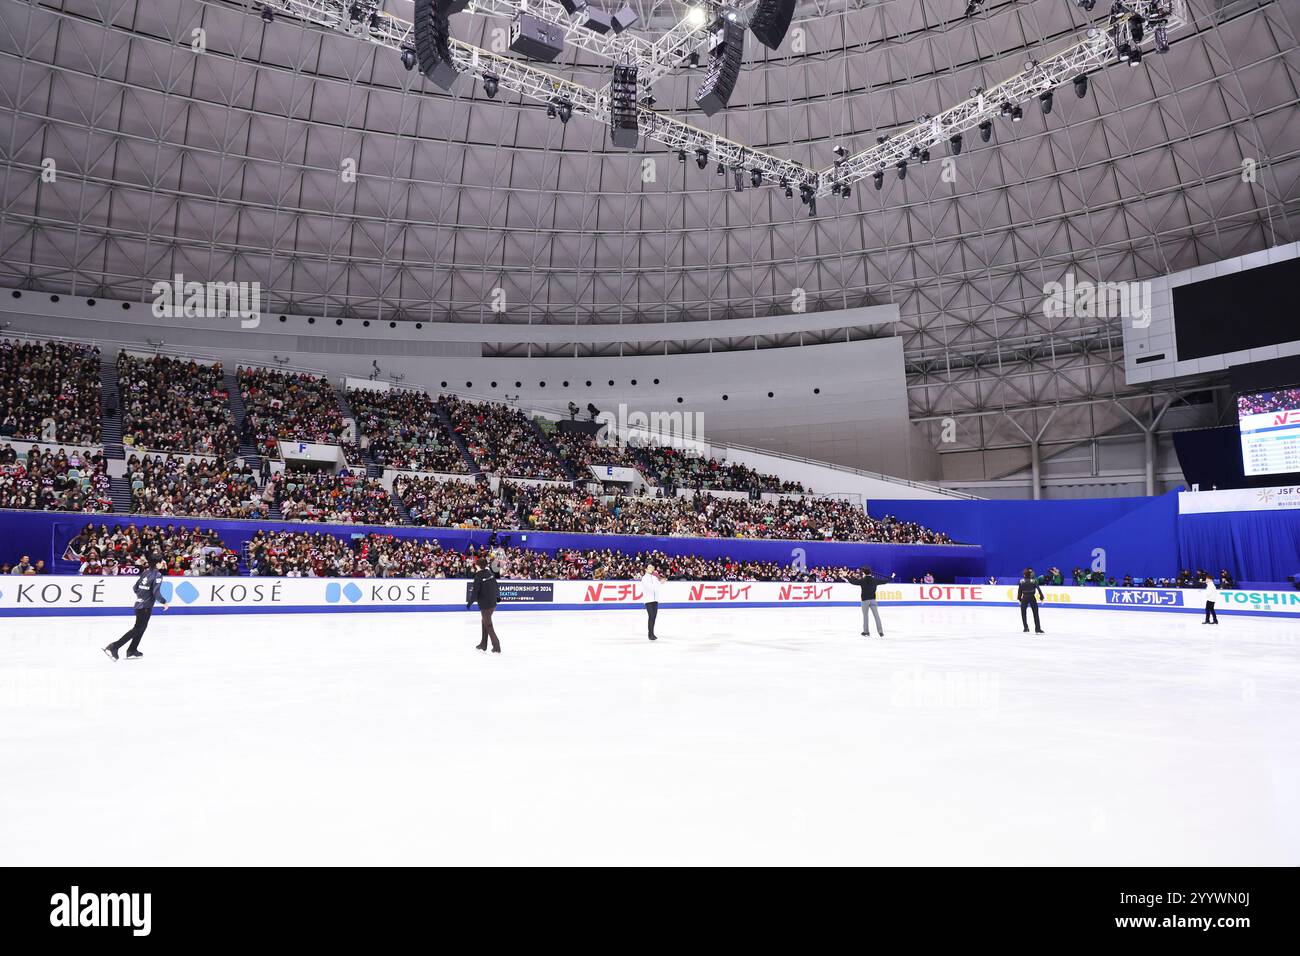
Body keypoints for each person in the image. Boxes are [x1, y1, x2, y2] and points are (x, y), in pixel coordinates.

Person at [102, 557, 170, 661]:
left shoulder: (145, 572)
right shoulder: (158, 575)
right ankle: (114, 646)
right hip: (145, 606)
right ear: (157, 564)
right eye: (161, 562)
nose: (162, 564)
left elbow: (135, 587)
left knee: (141, 628)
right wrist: (164, 602)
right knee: (138, 628)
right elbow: (156, 592)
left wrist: (141, 596)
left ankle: (132, 650)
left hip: (139, 604)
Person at [843, 566, 896, 637]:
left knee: (865, 616)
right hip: (873, 600)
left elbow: (853, 582)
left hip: (865, 600)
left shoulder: (862, 580)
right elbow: (885, 581)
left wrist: (846, 576)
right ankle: (880, 632)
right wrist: (892, 577)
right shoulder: (874, 580)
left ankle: (866, 632)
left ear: (864, 573)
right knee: (877, 616)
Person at [468, 555, 501, 653]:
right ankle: (483, 644)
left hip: (486, 605)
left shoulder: (478, 576)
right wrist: (498, 597)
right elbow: (495, 585)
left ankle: (496, 647)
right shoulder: (489, 573)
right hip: (492, 603)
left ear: (477, 566)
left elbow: (475, 592)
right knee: (484, 622)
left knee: (488, 625)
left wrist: (469, 604)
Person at [1017, 567, 1045, 635]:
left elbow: (1019, 591)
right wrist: (1041, 597)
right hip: (1032, 597)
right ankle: (1037, 629)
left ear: (1024, 575)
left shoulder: (1021, 581)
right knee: (1035, 613)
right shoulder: (1034, 581)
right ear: (1030, 575)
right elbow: (1039, 589)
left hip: (1025, 597)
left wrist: (1019, 598)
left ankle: (1026, 627)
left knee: (1023, 613)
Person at [640, 563, 663, 641]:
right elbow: (650, 588)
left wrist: (659, 583)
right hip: (648, 600)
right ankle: (650, 634)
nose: (651, 568)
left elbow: (658, 588)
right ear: (646, 569)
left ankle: (652, 633)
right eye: (649, 567)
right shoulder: (644, 578)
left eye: (652, 567)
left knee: (654, 617)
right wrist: (659, 583)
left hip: (655, 599)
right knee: (651, 616)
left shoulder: (654, 578)